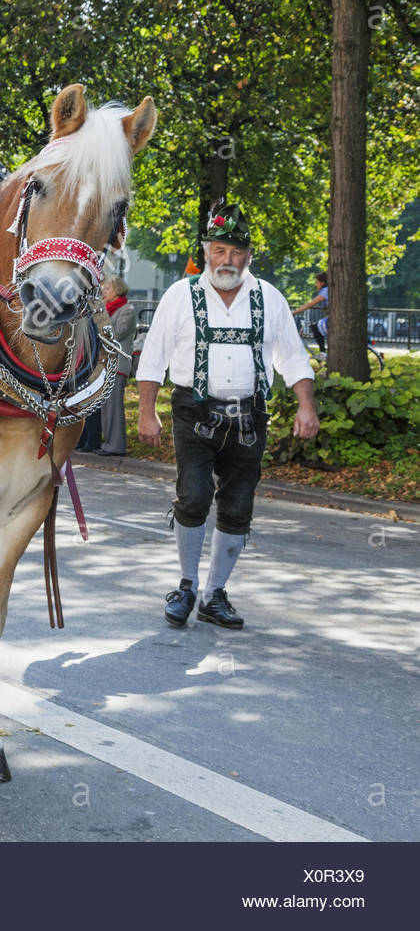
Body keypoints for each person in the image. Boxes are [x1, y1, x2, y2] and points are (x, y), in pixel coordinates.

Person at [136, 202, 319, 630]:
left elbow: (293, 358)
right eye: (219, 251)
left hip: (250, 417)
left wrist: (306, 405)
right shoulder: (180, 296)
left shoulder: (268, 298)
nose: (228, 261)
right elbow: (153, 357)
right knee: (195, 496)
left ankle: (214, 595)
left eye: (236, 253)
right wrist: (148, 412)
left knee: (238, 507)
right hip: (193, 413)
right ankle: (185, 585)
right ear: (206, 252)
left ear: (248, 257)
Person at [97, 275, 135, 455]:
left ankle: (117, 446)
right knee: (106, 408)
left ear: (118, 290)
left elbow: (117, 334)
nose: (104, 292)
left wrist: (100, 320)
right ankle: (108, 444)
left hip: (118, 365)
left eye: (108, 289)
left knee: (114, 408)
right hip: (106, 365)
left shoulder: (126, 310)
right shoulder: (108, 310)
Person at [291, 271, 329, 353]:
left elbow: (309, 305)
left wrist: (294, 313)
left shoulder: (325, 291)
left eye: (317, 283)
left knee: (315, 327)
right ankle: (323, 352)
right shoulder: (327, 290)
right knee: (316, 327)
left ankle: (323, 352)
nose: (316, 285)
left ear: (322, 283)